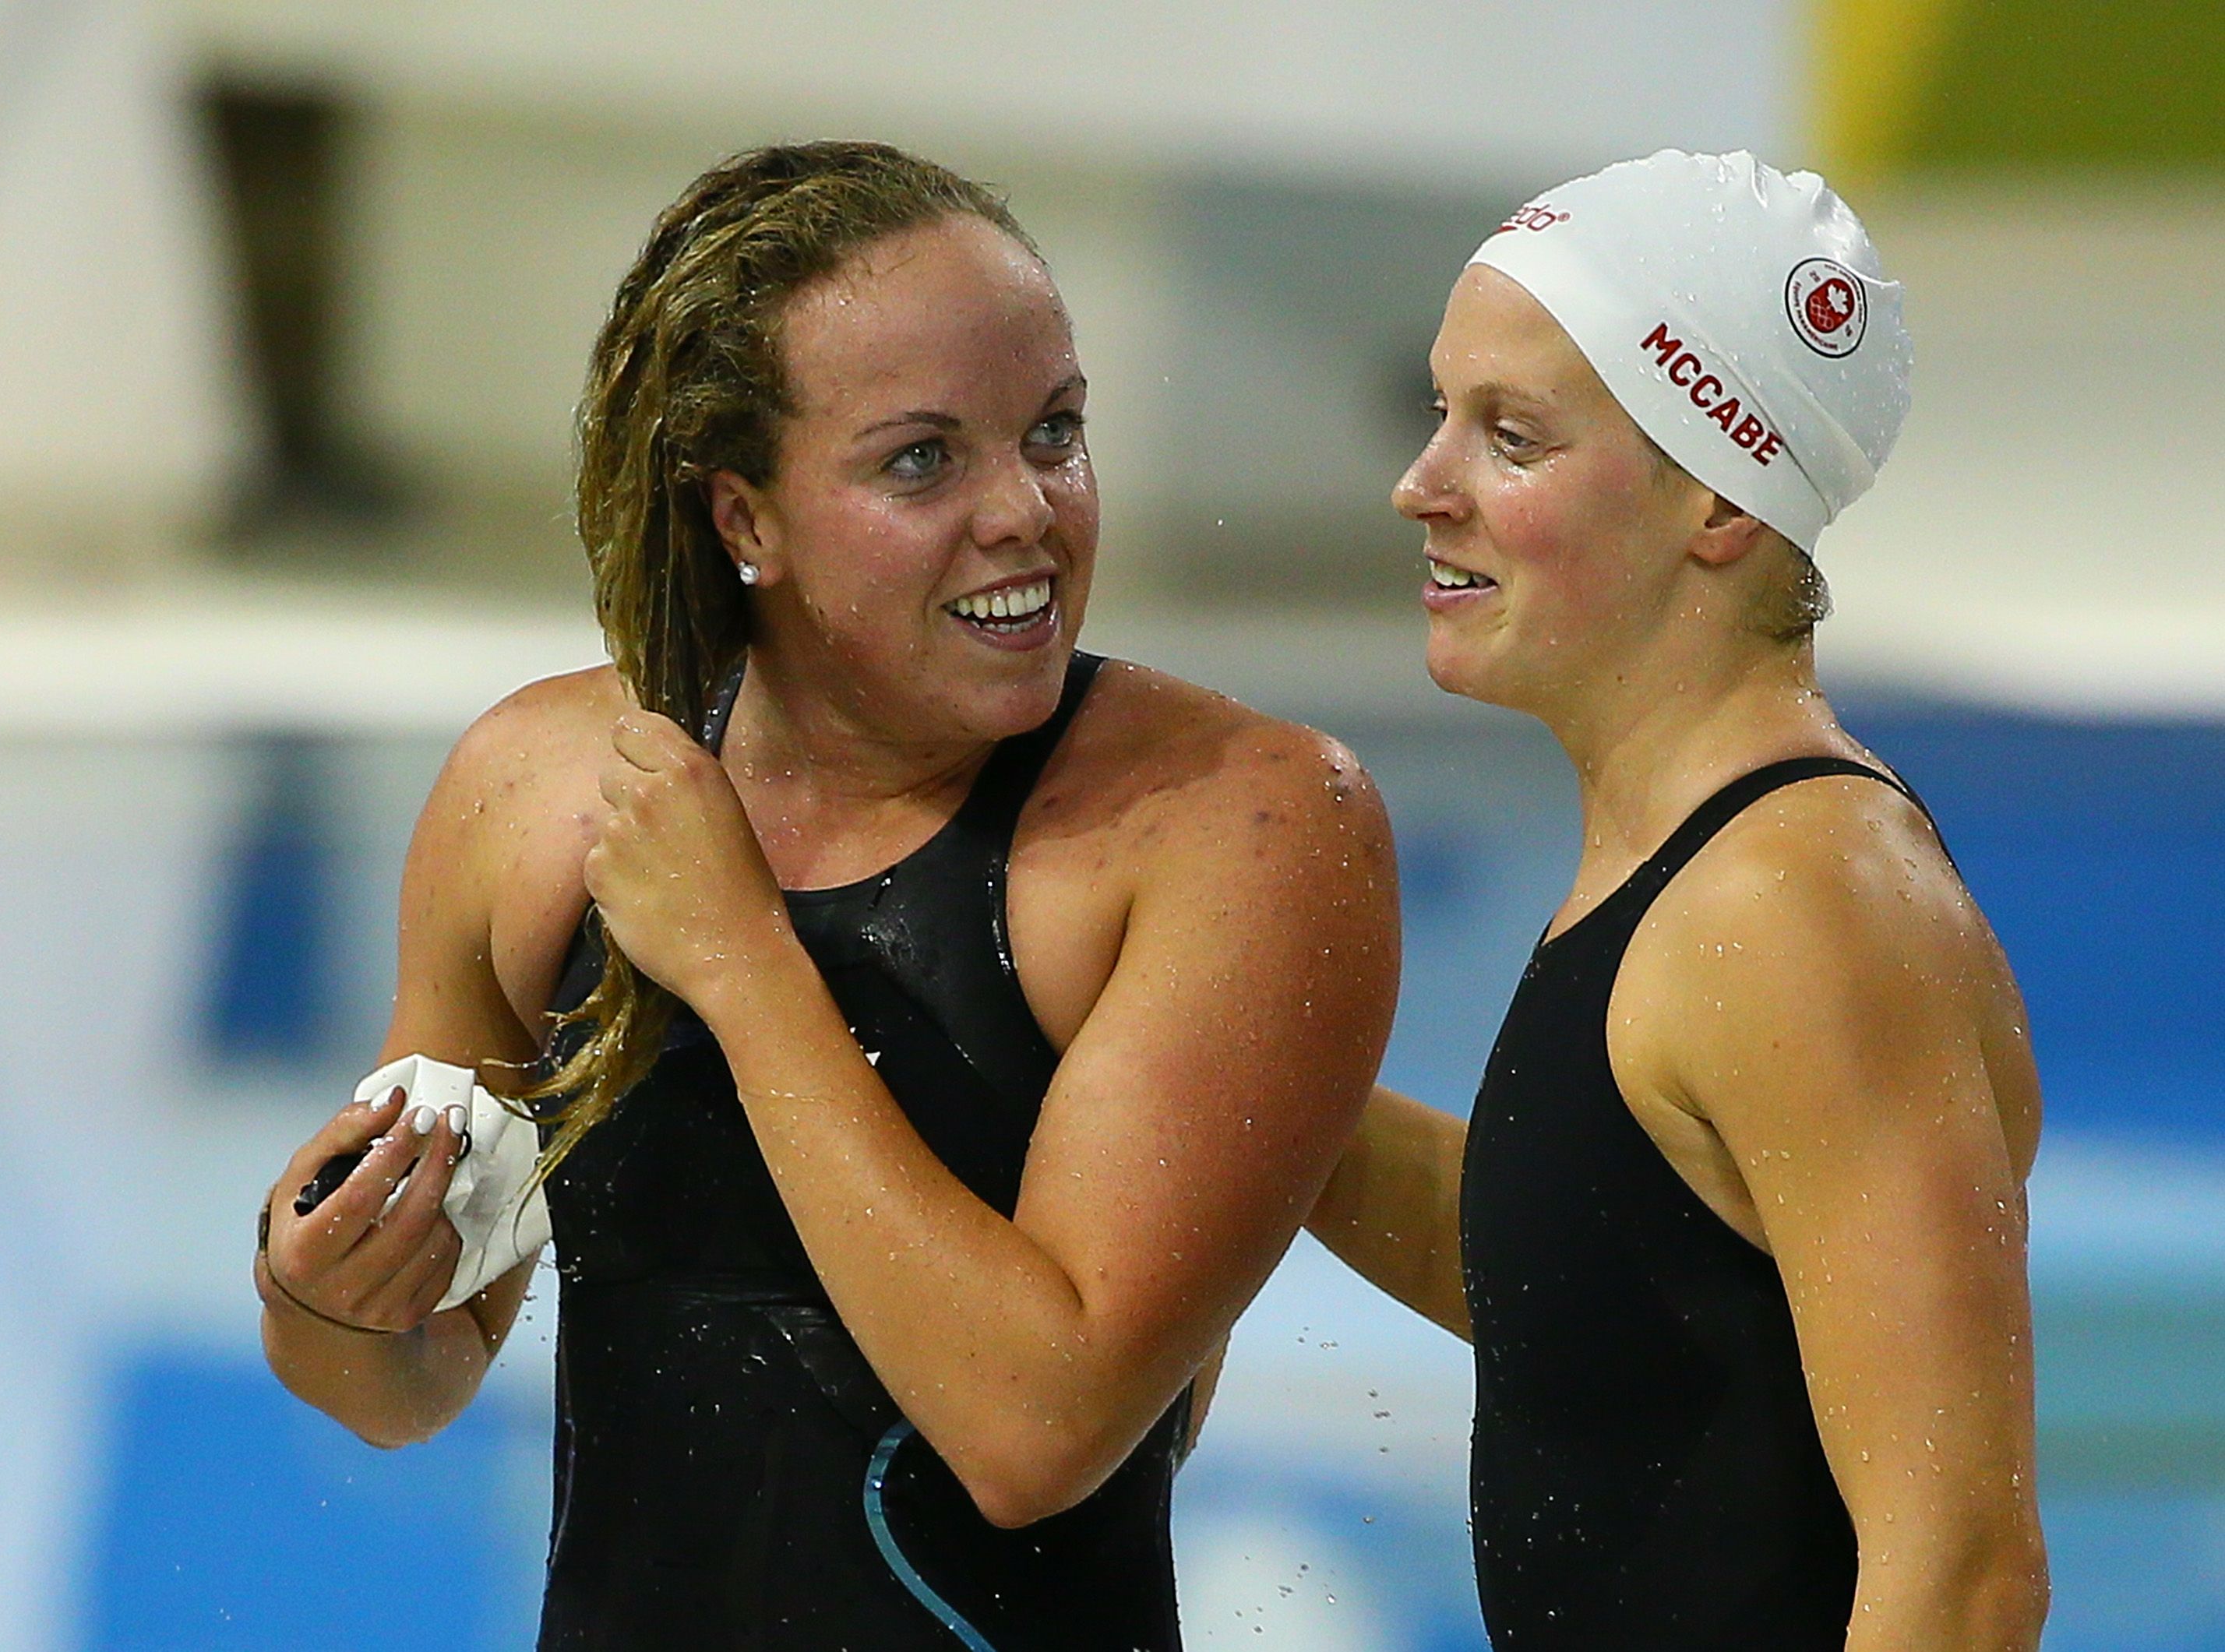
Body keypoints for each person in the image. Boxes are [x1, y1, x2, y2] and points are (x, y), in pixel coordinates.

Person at [251, 141, 1399, 1650]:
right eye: (922, 458)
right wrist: (318, 1292)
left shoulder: (1225, 824)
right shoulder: (535, 793)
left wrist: (744, 963)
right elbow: (410, 1381)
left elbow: (1035, 1427)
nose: (1026, 513)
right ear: (746, 520)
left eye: (1054, 432)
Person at [1306, 151, 2048, 1650]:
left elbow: (1961, 1572)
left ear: (1714, 494)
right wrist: (1238, 1085)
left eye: (1509, 437)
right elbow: (1594, 1285)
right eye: (1440, 413)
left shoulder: (1801, 904)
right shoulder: (1686, 860)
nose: (1422, 483)